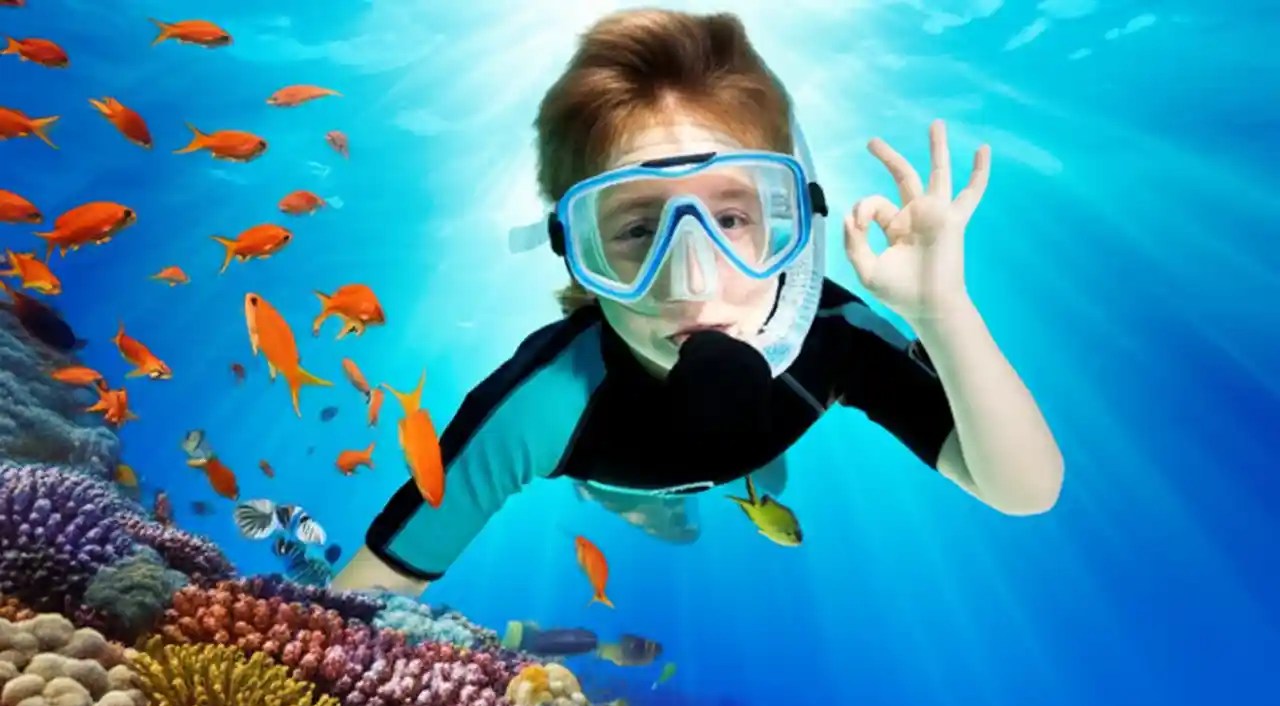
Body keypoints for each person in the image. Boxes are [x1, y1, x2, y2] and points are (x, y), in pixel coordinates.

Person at [332, 9, 1064, 596]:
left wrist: (943, 311)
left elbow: (1025, 489)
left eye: (735, 219)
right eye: (638, 229)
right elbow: (364, 597)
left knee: (762, 479)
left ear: (794, 222)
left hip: (744, 462)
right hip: (611, 472)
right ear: (576, 250)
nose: (692, 280)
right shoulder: (543, 401)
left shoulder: (835, 335)